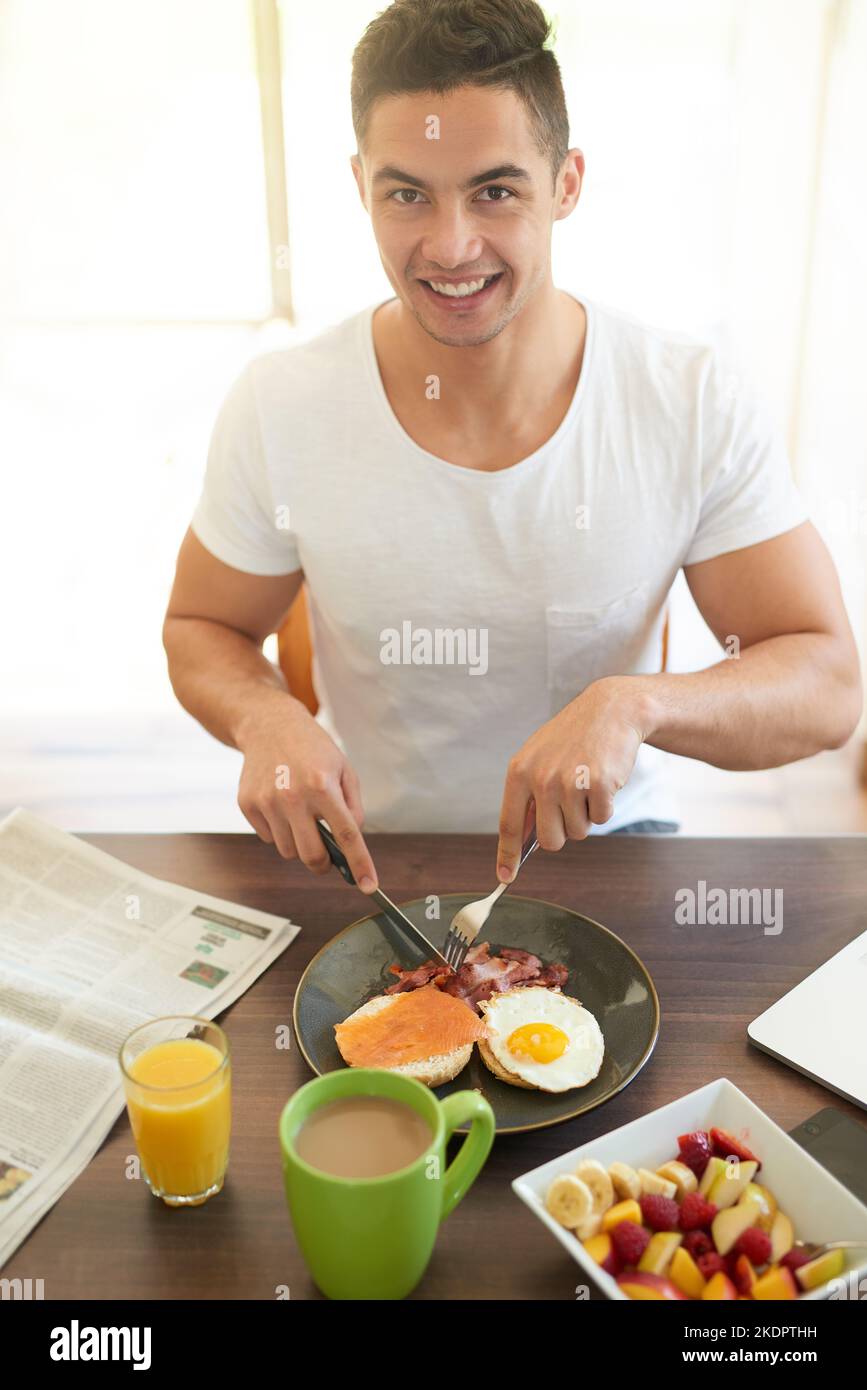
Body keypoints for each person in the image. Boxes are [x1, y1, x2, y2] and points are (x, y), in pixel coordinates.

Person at [163, 0, 861, 896]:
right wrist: (263, 715)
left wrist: (636, 704)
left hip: (610, 849)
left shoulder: (687, 399)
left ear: (566, 184)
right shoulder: (281, 402)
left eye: (495, 191)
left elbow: (827, 685)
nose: (451, 246)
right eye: (406, 194)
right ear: (361, 186)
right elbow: (203, 628)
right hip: (373, 860)